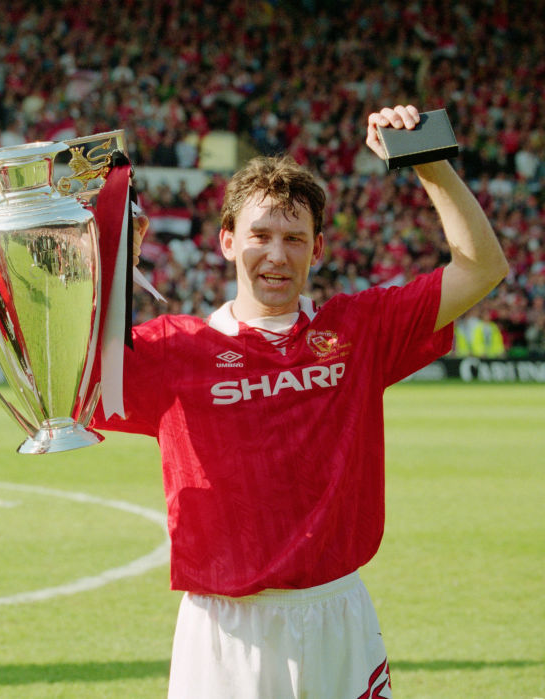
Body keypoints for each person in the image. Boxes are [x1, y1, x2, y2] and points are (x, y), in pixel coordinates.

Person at [95, 105, 507, 698]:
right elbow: (66, 385)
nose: (277, 255)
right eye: (260, 236)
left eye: (294, 239)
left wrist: (429, 161)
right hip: (225, 631)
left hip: (337, 610)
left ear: (316, 250)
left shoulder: (360, 329)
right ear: (227, 241)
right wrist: (97, 260)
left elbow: (482, 267)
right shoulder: (174, 349)